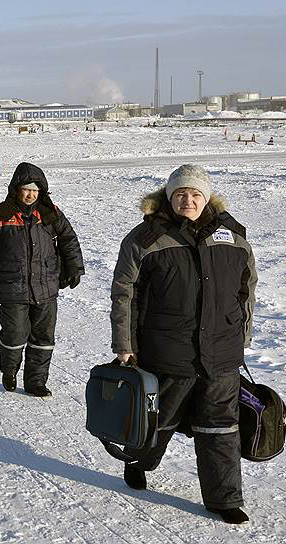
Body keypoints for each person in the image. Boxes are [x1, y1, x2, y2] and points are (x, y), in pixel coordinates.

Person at [110, 164, 257, 525]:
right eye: (180, 194)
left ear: (206, 198)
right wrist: (124, 343)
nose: (187, 200)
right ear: (169, 197)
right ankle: (138, 462)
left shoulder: (232, 236)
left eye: (194, 194)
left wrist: (243, 336)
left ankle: (224, 499)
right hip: (166, 351)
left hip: (221, 353)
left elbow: (246, 289)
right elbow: (123, 294)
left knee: (220, 426)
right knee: (158, 421)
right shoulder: (146, 239)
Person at [0, 162, 84, 396]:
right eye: (27, 189)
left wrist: (74, 267)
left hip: (45, 286)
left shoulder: (49, 213)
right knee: (15, 334)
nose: (31, 194)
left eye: (35, 190)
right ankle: (10, 371)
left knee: (43, 337)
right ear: (16, 189)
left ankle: (36, 382)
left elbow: (68, 239)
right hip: (12, 287)